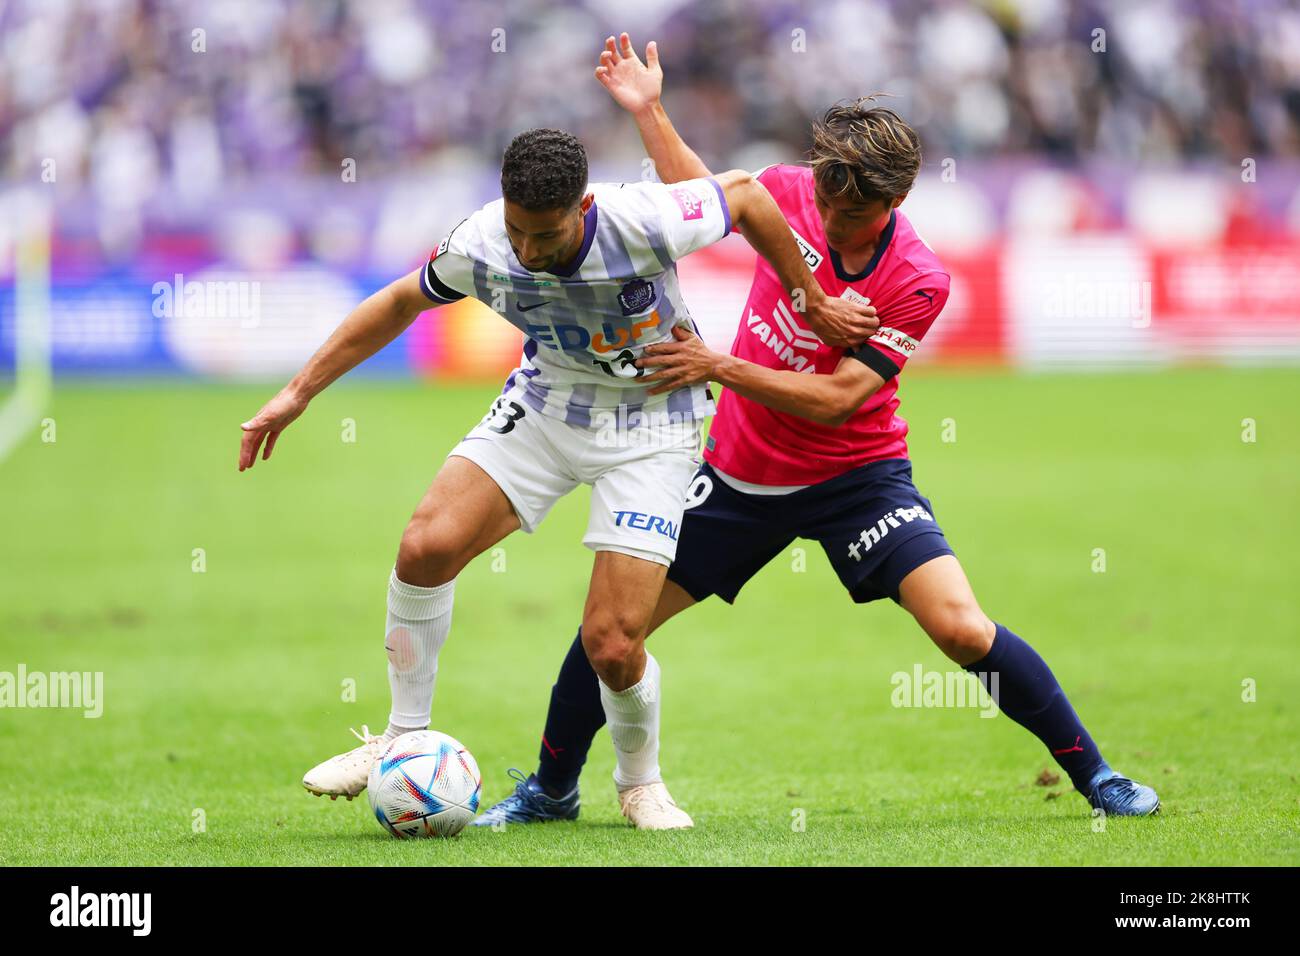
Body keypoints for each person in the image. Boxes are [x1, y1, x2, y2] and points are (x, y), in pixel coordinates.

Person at [473, 34, 1160, 828]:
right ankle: (549, 791)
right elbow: (698, 195)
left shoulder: (918, 281)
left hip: (856, 480)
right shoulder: (790, 193)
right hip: (734, 477)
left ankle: (1097, 776)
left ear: (894, 203)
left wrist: (717, 367)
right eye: (827, 203)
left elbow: (838, 401)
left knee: (962, 629)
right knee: (610, 634)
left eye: (854, 212)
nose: (832, 221)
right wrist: (648, 109)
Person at [236, 125, 878, 830]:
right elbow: (397, 303)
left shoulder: (645, 220)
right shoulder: (482, 241)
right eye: (519, 232)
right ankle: (402, 737)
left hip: (652, 425)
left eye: (546, 235)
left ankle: (639, 784)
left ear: (585, 205)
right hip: (545, 408)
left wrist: (811, 299)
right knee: (425, 546)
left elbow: (750, 195)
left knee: (612, 642)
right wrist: (299, 392)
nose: (530, 252)